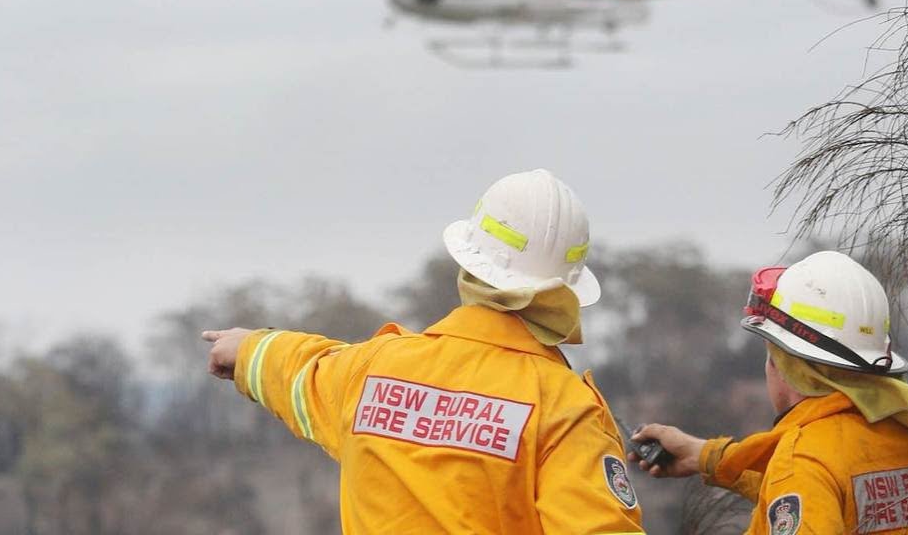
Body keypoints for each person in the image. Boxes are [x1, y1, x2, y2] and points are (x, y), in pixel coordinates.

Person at [203, 169, 644, 535]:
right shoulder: (566, 411)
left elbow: (301, 368)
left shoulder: (371, 369)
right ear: (566, 291)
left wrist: (245, 348)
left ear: (469, 265)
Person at [629, 250, 908, 534]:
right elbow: (822, 493)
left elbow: (802, 481)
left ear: (787, 367)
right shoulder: (904, 438)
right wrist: (703, 456)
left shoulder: (801, 462)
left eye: (770, 356)